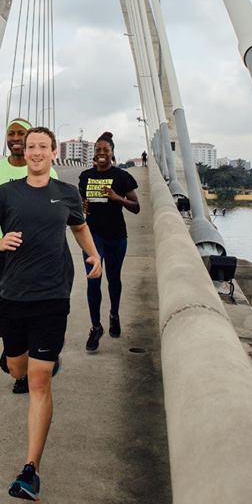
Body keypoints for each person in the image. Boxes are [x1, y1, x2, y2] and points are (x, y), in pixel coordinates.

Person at [0, 126, 101, 501]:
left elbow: (79, 227)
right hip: (14, 295)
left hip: (52, 297)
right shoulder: (6, 194)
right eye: (30, 146)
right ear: (24, 151)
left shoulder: (66, 193)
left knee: (38, 382)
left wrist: (94, 255)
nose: (35, 152)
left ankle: (30, 470)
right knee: (17, 369)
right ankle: (29, 361)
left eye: (42, 147)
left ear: (52, 152)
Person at [0, 117, 57, 394]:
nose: (15, 137)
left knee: (36, 311)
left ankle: (32, 361)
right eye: (11, 133)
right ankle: (14, 346)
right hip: (1, 252)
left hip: (36, 254)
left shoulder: (48, 170)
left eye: (20, 134)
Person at [78, 132, 139, 353]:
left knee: (114, 278)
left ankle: (114, 314)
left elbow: (136, 206)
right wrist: (82, 207)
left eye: (105, 150)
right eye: (98, 150)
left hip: (116, 236)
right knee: (93, 280)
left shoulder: (122, 177)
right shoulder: (85, 176)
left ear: (112, 153)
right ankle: (96, 327)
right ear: (94, 154)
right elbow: (81, 203)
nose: (101, 153)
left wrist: (118, 198)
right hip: (92, 235)